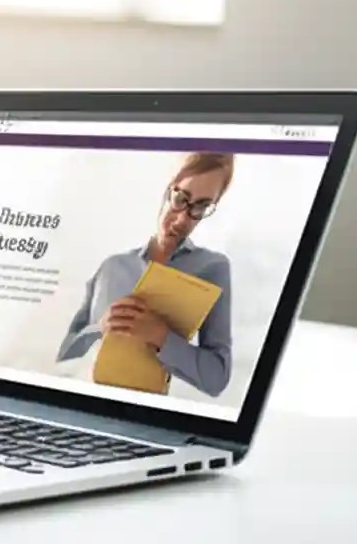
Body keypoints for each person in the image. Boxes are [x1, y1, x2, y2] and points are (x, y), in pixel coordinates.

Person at [56, 152, 235, 398]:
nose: (183, 219)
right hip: (79, 401)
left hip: (145, 416)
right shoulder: (112, 266)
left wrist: (161, 337)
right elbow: (64, 353)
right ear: (165, 189)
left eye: (202, 206)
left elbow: (217, 379)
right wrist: (100, 328)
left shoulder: (212, 268)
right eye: (181, 198)